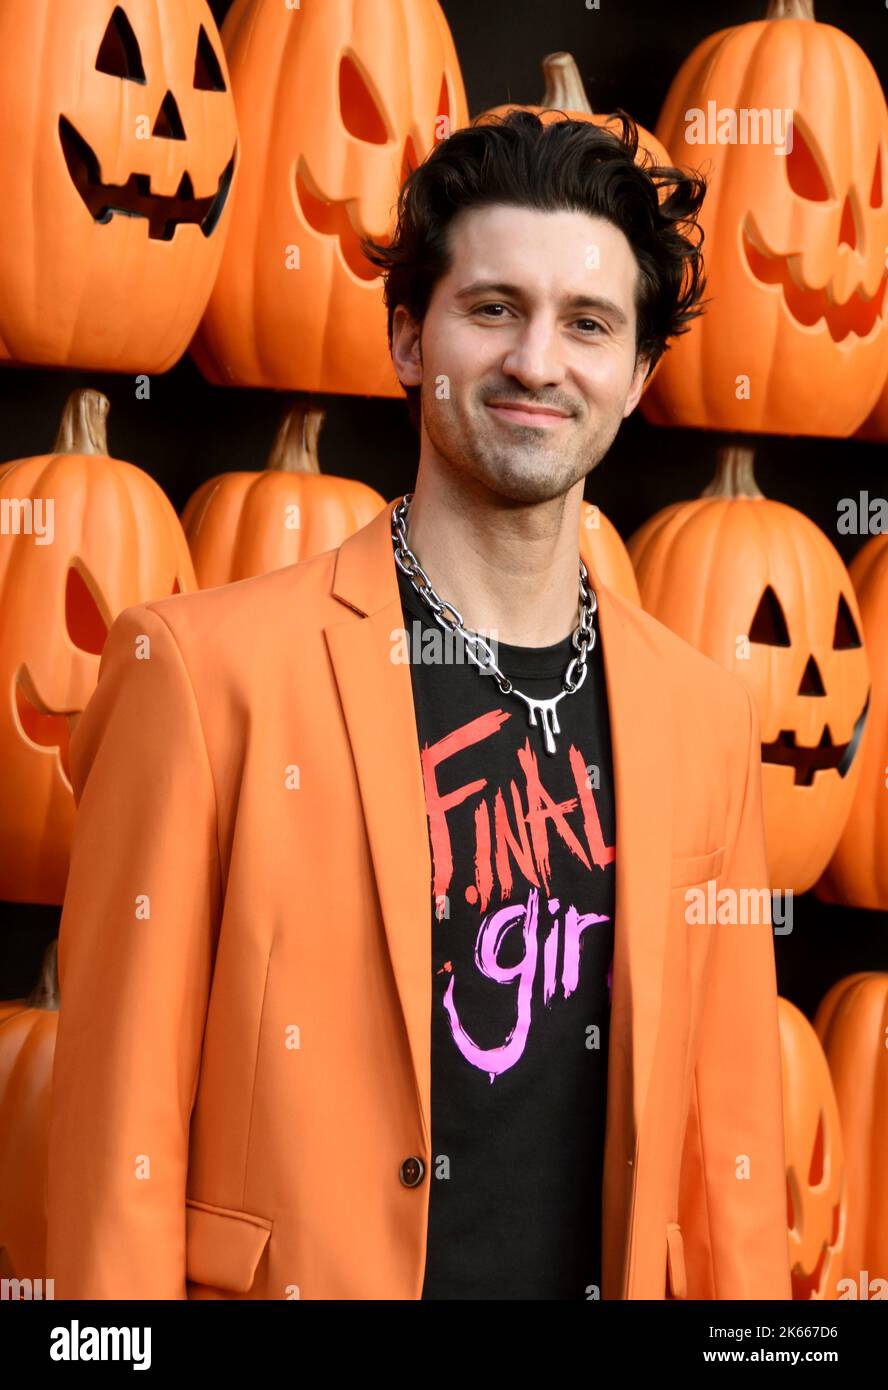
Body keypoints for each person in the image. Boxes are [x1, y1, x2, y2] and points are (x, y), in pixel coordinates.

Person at [45, 109, 791, 1300]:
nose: (538, 362)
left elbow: (733, 1161)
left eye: (588, 324)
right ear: (407, 336)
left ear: (640, 376)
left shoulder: (707, 720)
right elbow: (110, 1150)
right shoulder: (198, 674)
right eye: (493, 308)